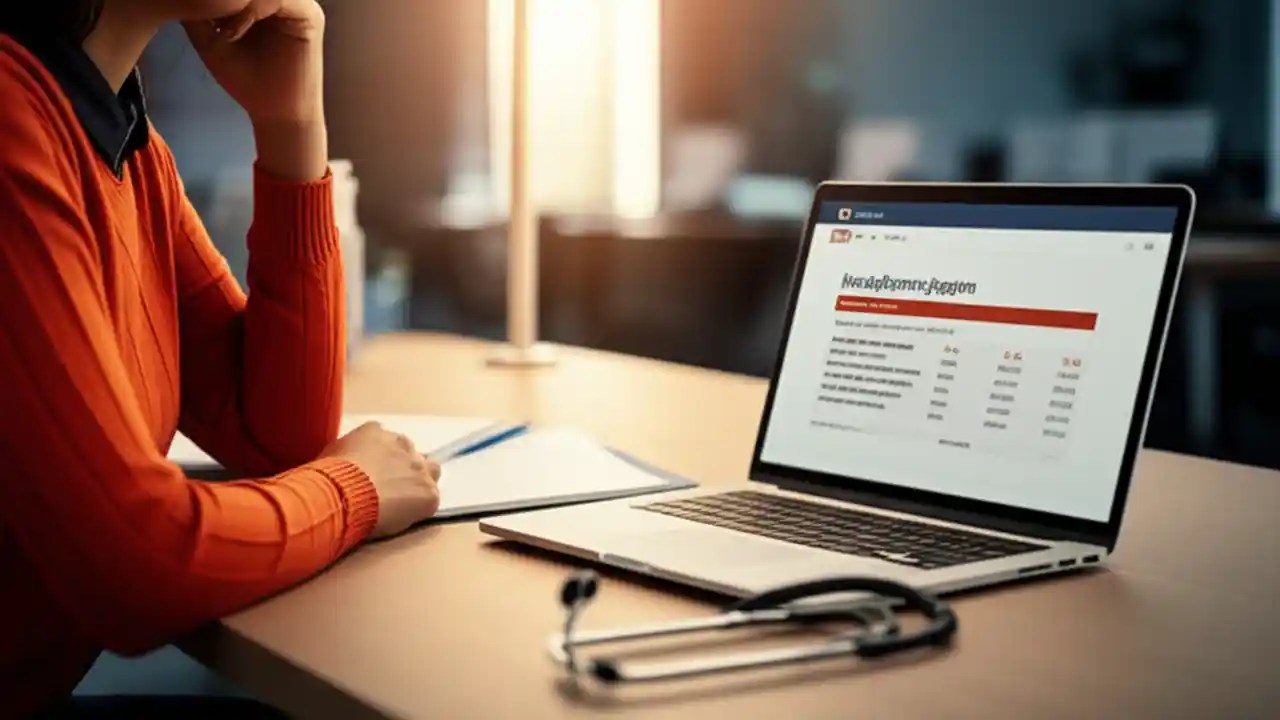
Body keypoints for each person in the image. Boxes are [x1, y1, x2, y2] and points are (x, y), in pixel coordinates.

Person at [0, 1, 444, 715]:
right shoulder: (12, 124)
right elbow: (137, 566)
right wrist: (353, 489)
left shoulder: (124, 145)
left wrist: (291, 125)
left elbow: (276, 430)